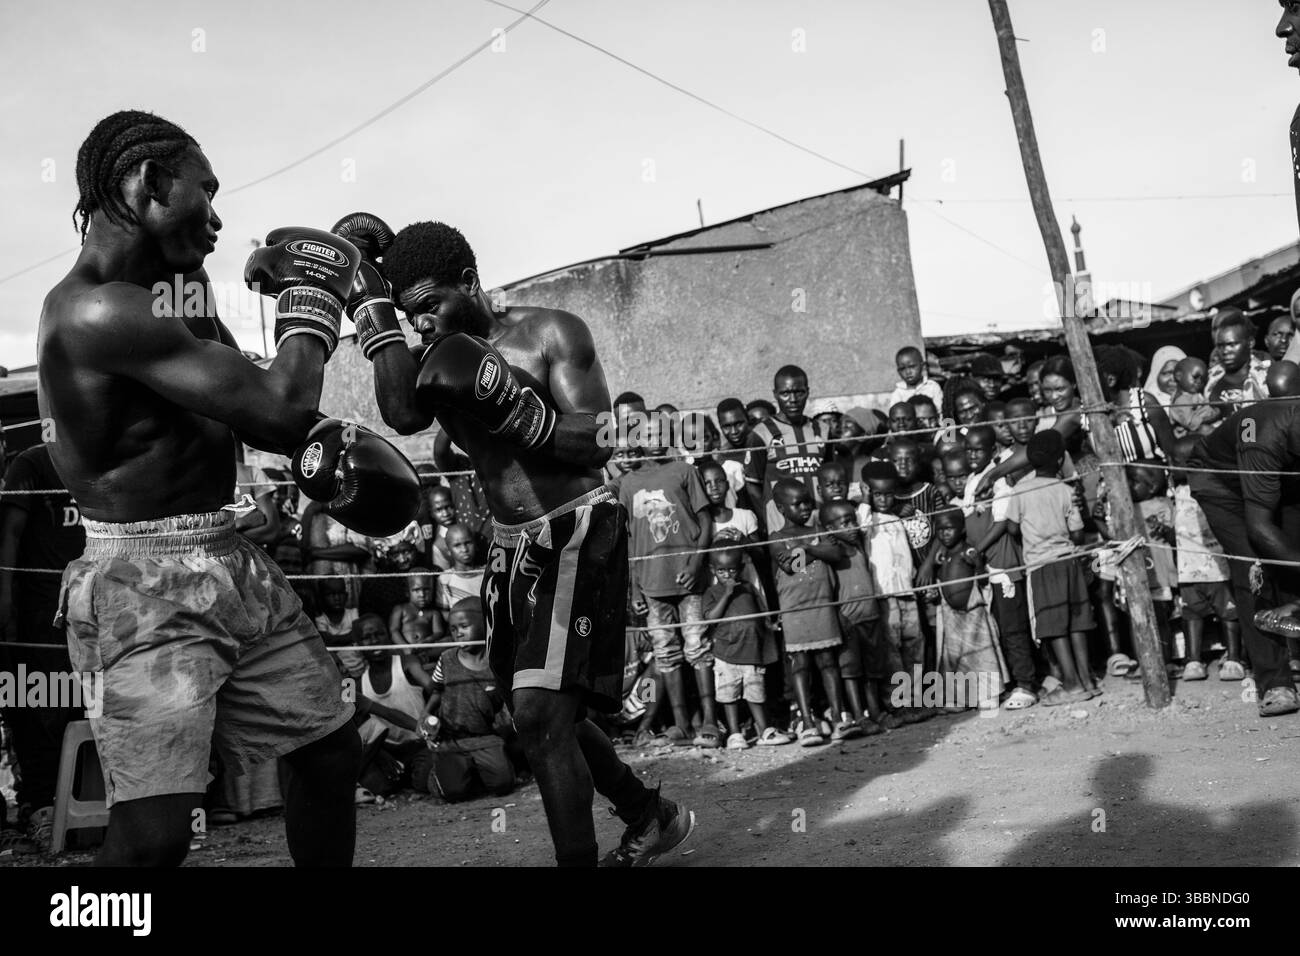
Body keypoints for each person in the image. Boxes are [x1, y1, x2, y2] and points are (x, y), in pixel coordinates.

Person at [37, 111, 394, 866]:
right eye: (207, 190)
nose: (219, 217)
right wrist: (315, 296)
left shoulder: (182, 287)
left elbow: (252, 398)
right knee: (157, 832)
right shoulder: (94, 310)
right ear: (149, 184)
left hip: (229, 560)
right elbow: (277, 412)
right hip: (143, 588)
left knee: (329, 752)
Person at [365, 216, 692, 866]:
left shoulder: (550, 333)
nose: (423, 323)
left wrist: (514, 411)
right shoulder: (434, 359)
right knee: (532, 715)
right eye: (411, 315)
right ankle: (647, 813)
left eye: (431, 305)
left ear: (470, 282)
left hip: (576, 525)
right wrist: (370, 307)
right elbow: (401, 414)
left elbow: (598, 439)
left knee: (541, 717)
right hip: (508, 545)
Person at [1186, 398, 1300, 717]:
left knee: (1292, 549)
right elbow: (1259, 527)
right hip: (1223, 486)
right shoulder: (1263, 437)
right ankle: (1274, 682)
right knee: (1253, 568)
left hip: (1282, 479)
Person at [0, 443, 86, 853]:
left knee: (89, 705)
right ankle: (39, 807)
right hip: (42, 610)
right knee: (37, 703)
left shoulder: (105, 457)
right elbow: (11, 533)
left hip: (99, 608)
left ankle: (86, 808)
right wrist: (5, 600)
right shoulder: (32, 462)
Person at [617, 416, 718, 747]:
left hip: (688, 578)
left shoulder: (684, 471)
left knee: (698, 648)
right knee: (666, 653)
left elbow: (705, 520)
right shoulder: (629, 483)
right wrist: (634, 588)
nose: (655, 439)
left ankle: (710, 722)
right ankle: (680, 724)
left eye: (660, 433)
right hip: (651, 583)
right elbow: (629, 540)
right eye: (647, 435)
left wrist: (696, 562)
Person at [1004, 431, 1100, 705]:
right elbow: (1078, 534)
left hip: (1042, 566)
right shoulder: (1066, 490)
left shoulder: (1020, 491)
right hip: (1069, 562)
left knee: (1055, 627)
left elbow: (1011, 527)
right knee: (1077, 624)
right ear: (1060, 460)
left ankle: (1071, 685)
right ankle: (1087, 680)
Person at [768, 480, 860, 745]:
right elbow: (789, 566)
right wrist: (815, 550)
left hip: (822, 605)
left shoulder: (817, 529)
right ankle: (807, 722)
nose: (805, 508)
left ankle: (838, 718)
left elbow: (836, 553)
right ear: (781, 507)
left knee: (828, 661)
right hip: (795, 609)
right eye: (797, 504)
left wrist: (807, 548)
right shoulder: (776, 538)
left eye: (808, 502)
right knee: (801, 666)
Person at [419, 597, 515, 802]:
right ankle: (441, 773)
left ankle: (474, 771)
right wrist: (425, 714)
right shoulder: (446, 659)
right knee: (454, 793)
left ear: (484, 623)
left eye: (464, 626)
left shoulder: (497, 661)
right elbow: (436, 691)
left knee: (503, 785)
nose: (458, 633)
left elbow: (508, 701)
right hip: (451, 738)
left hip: (485, 736)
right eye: (453, 629)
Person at [1167, 438, 1242, 682]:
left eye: (1175, 462)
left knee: (1229, 613)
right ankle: (1193, 660)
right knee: (1191, 614)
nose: (1169, 466)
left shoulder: (1214, 488)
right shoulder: (1176, 492)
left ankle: (1233, 658)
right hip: (1188, 569)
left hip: (1218, 568)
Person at [858, 461, 925, 716]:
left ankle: (918, 700)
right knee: (891, 652)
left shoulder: (897, 518)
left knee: (914, 647)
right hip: (884, 594)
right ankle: (898, 704)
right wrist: (865, 499)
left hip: (906, 592)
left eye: (888, 493)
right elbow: (860, 527)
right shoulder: (865, 518)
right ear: (868, 492)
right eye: (878, 494)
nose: (884, 499)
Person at [701, 547, 784, 748]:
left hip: (752, 651)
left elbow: (761, 612)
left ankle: (764, 730)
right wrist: (727, 594)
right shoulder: (712, 592)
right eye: (722, 571)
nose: (727, 575)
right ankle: (735, 733)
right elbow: (710, 618)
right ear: (713, 570)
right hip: (726, 653)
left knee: (756, 693)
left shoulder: (748, 588)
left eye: (732, 570)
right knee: (729, 695)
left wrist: (770, 625)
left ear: (740, 568)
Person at [820, 499, 890, 731]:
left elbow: (866, 513)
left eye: (853, 520)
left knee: (873, 670)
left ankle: (876, 712)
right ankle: (859, 715)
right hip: (849, 620)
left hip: (870, 617)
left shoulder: (858, 545)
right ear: (830, 528)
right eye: (845, 522)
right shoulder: (832, 555)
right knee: (851, 671)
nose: (852, 526)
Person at [931, 508, 1006, 710]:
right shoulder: (942, 556)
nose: (944, 533)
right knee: (955, 657)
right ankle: (962, 698)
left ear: (962, 530)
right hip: (951, 615)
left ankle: (988, 694)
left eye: (949, 529)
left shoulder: (968, 552)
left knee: (980, 654)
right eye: (940, 530)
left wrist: (978, 565)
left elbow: (983, 580)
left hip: (973, 610)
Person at [743, 366, 827, 533]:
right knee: (798, 560)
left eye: (799, 392)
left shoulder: (823, 430)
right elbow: (753, 486)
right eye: (785, 393)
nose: (793, 399)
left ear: (808, 392)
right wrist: (770, 520)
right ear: (775, 394)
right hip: (784, 531)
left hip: (822, 525)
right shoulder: (760, 434)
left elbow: (829, 476)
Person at [1206, 309, 1269, 415]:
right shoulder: (1210, 376)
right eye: (1220, 346)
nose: (1225, 351)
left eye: (1232, 345)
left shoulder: (1266, 376)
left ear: (1250, 343)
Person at [435, 523, 486, 614]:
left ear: (475, 544)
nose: (464, 549)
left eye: (468, 543)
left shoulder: (487, 574)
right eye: (457, 545)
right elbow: (445, 614)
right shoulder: (445, 580)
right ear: (448, 550)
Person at [1168, 357, 1219, 438]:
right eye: (1195, 377)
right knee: (1206, 430)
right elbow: (1191, 423)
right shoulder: (1181, 400)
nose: (1199, 382)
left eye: (1202, 380)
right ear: (1179, 376)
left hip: (1203, 425)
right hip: (1190, 435)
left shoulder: (1192, 394)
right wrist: (1213, 417)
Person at [1141, 345, 1186, 410]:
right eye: (1166, 373)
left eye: (1179, 374)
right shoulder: (1145, 406)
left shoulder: (1196, 402)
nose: (1173, 379)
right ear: (1155, 375)